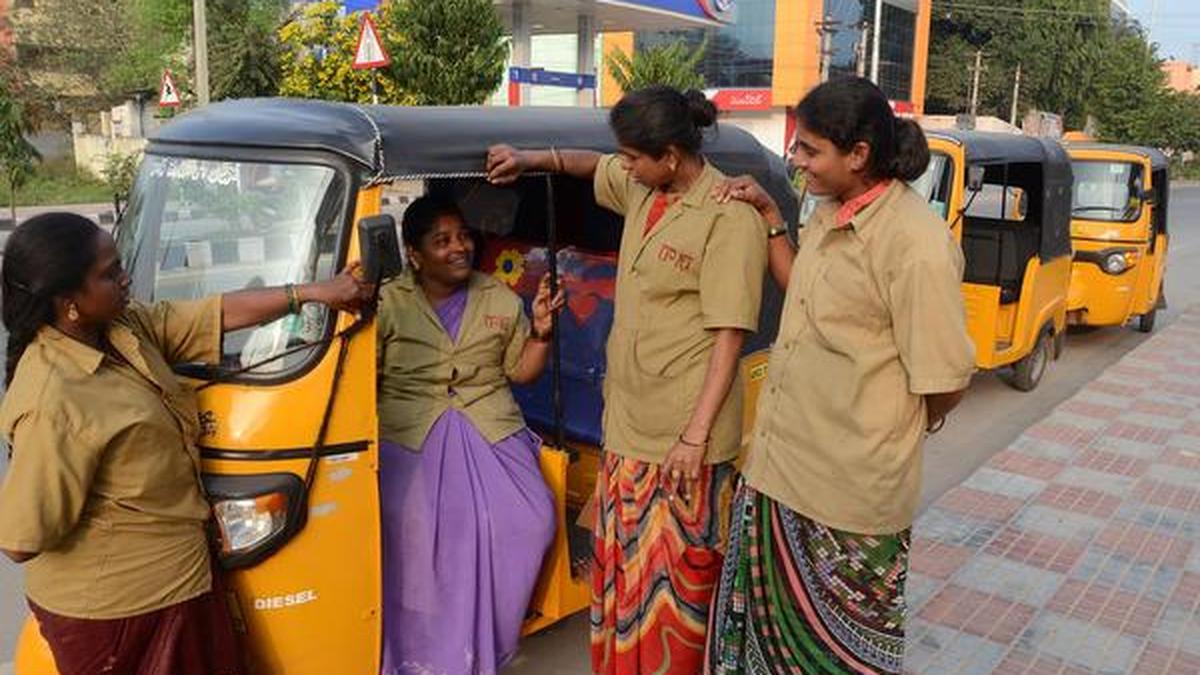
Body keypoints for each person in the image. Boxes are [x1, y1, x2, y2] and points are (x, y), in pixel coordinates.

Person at [0, 212, 372, 675]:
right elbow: (21, 539)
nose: (125, 277)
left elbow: (211, 316)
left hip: (178, 583)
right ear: (68, 302)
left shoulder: (122, 331)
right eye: (109, 273)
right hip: (121, 612)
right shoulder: (55, 397)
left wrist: (313, 293)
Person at [486, 85, 768, 675]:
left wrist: (694, 439)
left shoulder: (728, 216)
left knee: (674, 590)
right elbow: (592, 166)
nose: (625, 168)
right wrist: (531, 159)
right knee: (623, 583)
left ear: (669, 154)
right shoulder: (646, 188)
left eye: (634, 158)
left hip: (682, 443)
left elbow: (729, 339)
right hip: (629, 428)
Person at [704, 77, 976, 674]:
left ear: (859, 155)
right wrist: (773, 217)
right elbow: (804, 290)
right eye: (796, 147)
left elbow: (946, 377)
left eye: (810, 151)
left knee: (839, 659)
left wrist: (889, 425)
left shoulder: (916, 244)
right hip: (780, 470)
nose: (796, 161)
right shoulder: (826, 211)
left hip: (848, 497)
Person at [376, 195, 564, 675]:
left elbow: (521, 374)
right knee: (408, 528)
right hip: (410, 429)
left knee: (533, 520)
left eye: (462, 236)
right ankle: (420, 654)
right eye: (442, 241)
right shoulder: (386, 302)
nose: (459, 247)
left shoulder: (500, 298)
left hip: (490, 423)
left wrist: (542, 332)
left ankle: (489, 640)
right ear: (414, 255)